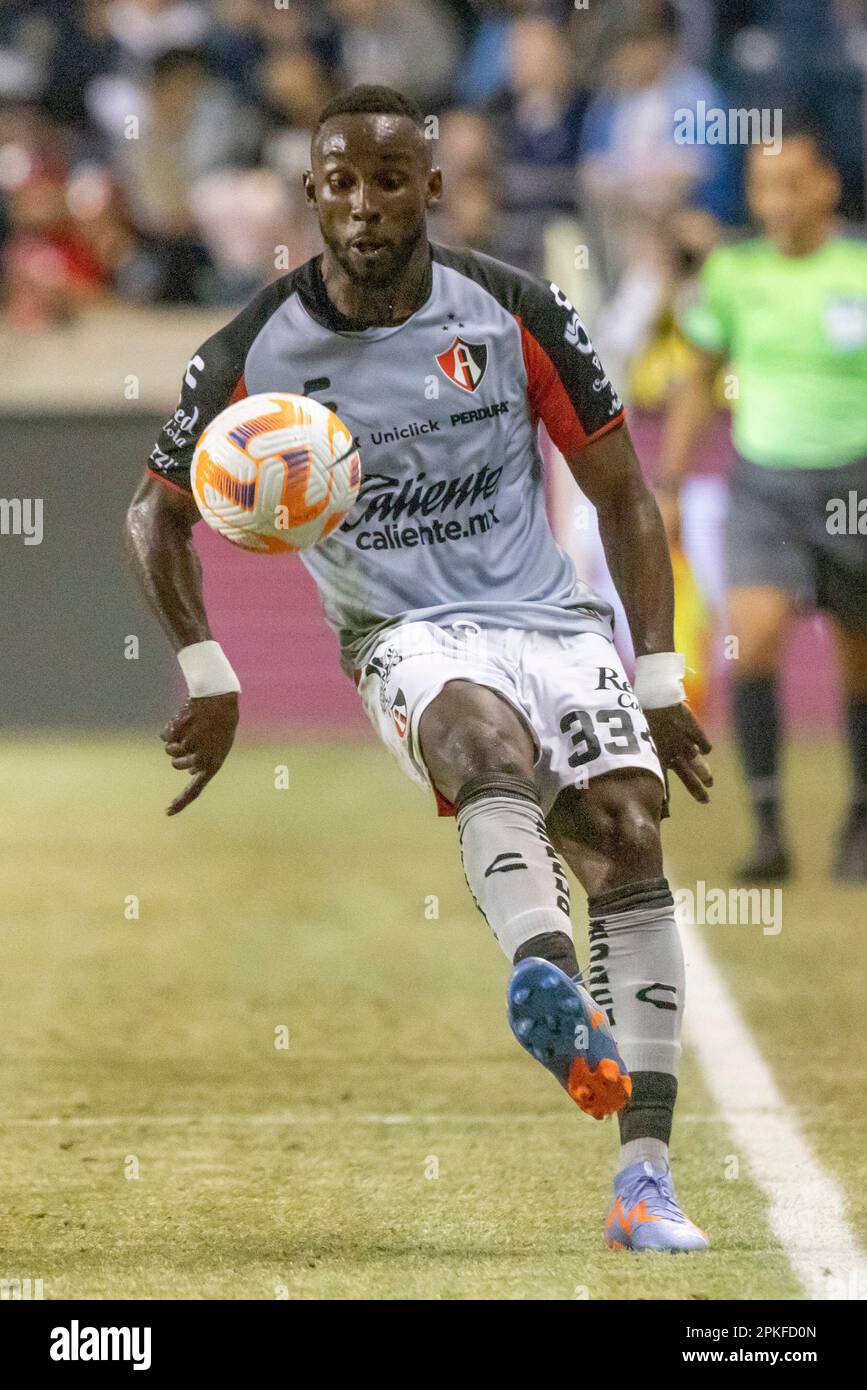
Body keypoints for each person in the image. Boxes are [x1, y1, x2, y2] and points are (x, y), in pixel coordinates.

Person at [126, 85, 713, 1252]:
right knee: (483, 744)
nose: (364, 205)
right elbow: (154, 517)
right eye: (340, 182)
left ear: (431, 188)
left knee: (628, 829)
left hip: (551, 619)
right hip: (406, 636)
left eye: (390, 179)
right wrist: (210, 668)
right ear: (312, 193)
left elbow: (625, 497)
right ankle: (547, 975)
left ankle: (644, 1180)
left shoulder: (515, 313)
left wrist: (657, 676)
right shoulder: (256, 349)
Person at [658, 127, 867, 883]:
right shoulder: (730, 273)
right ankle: (770, 829)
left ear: (825, 187)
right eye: (761, 185)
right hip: (763, 485)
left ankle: (858, 818)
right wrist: (671, 482)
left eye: (790, 184)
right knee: (755, 634)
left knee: (858, 662)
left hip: (856, 485)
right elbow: (698, 378)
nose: (775, 201)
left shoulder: (859, 265)